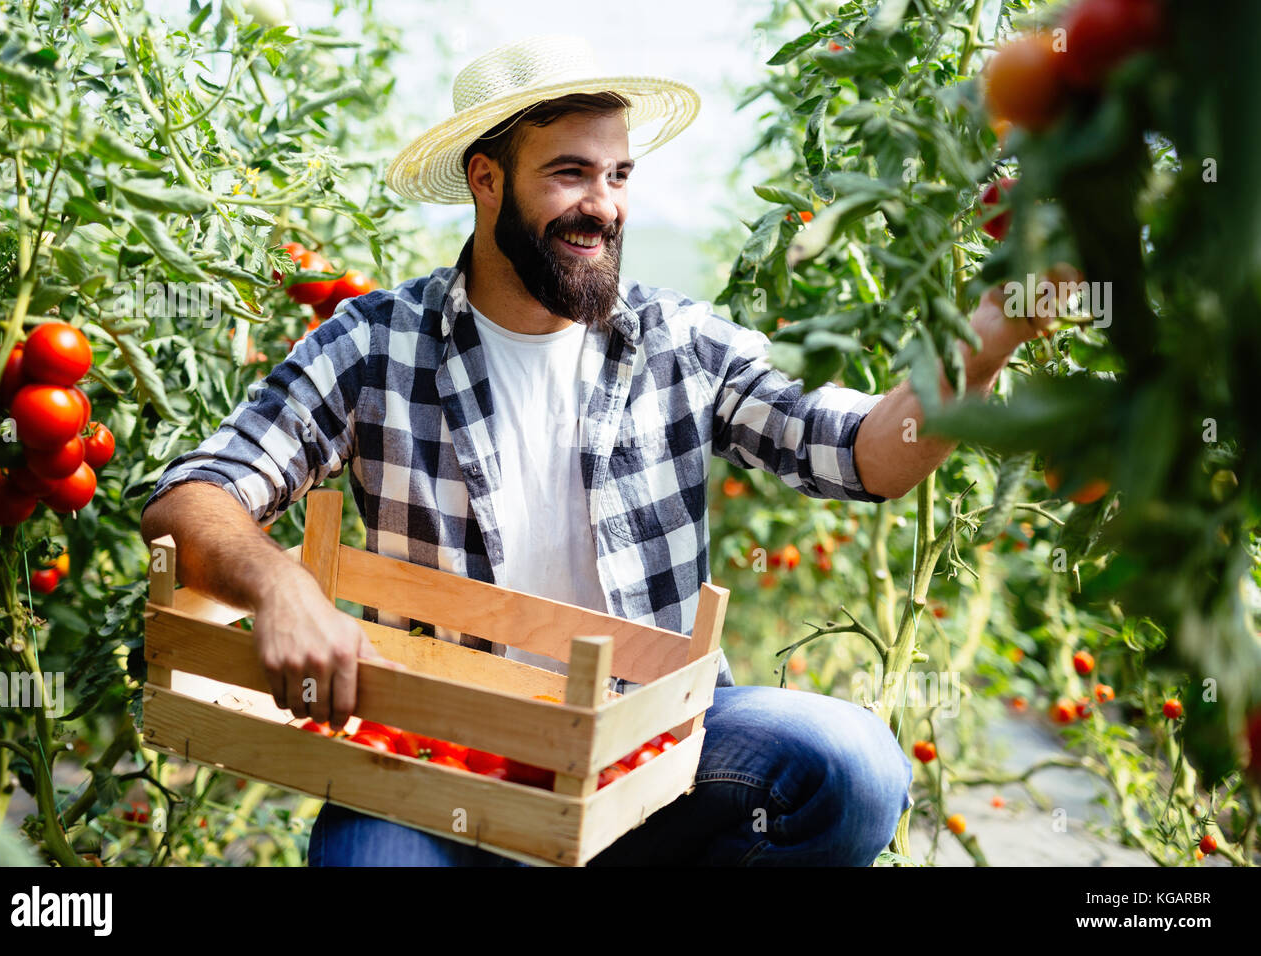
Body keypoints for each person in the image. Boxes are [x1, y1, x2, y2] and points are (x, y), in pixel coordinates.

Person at [139, 35, 1050, 866]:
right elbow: (194, 493)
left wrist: (993, 328)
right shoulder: (377, 342)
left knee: (851, 766)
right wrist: (281, 585)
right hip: (438, 759)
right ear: (486, 178)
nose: (602, 206)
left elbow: (860, 453)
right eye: (570, 174)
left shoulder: (677, 341)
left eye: (618, 175)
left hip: (647, 748)